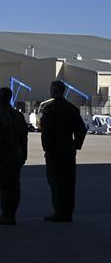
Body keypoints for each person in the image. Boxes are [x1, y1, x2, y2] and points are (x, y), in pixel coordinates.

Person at [40, 80, 87, 222]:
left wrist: (47, 149)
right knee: (69, 181)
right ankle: (68, 211)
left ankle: (60, 212)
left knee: (56, 182)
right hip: (68, 149)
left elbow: (46, 132)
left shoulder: (50, 109)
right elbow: (81, 129)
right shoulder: (72, 108)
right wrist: (75, 145)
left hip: (55, 151)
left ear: (55, 91)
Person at [0, 87, 28, 225]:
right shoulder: (18, 115)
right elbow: (24, 137)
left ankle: (5, 214)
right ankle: (12, 214)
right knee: (15, 186)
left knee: (3, 186)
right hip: (16, 155)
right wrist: (23, 155)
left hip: (2, 156)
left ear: (1, 98)